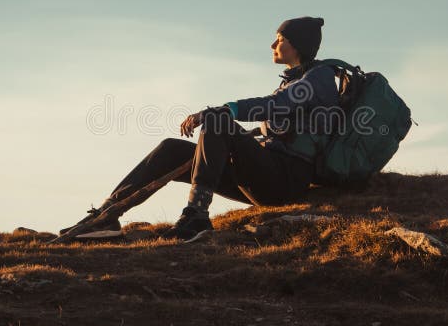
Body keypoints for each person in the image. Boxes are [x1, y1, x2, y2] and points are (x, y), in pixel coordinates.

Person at [65, 16, 340, 241]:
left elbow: (274, 104)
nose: (272, 45)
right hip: (265, 175)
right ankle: (106, 216)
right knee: (172, 149)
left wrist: (224, 111)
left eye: (280, 39)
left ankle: (196, 215)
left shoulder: (318, 79)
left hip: (284, 181)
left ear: (297, 45)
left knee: (217, 121)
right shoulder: (296, 80)